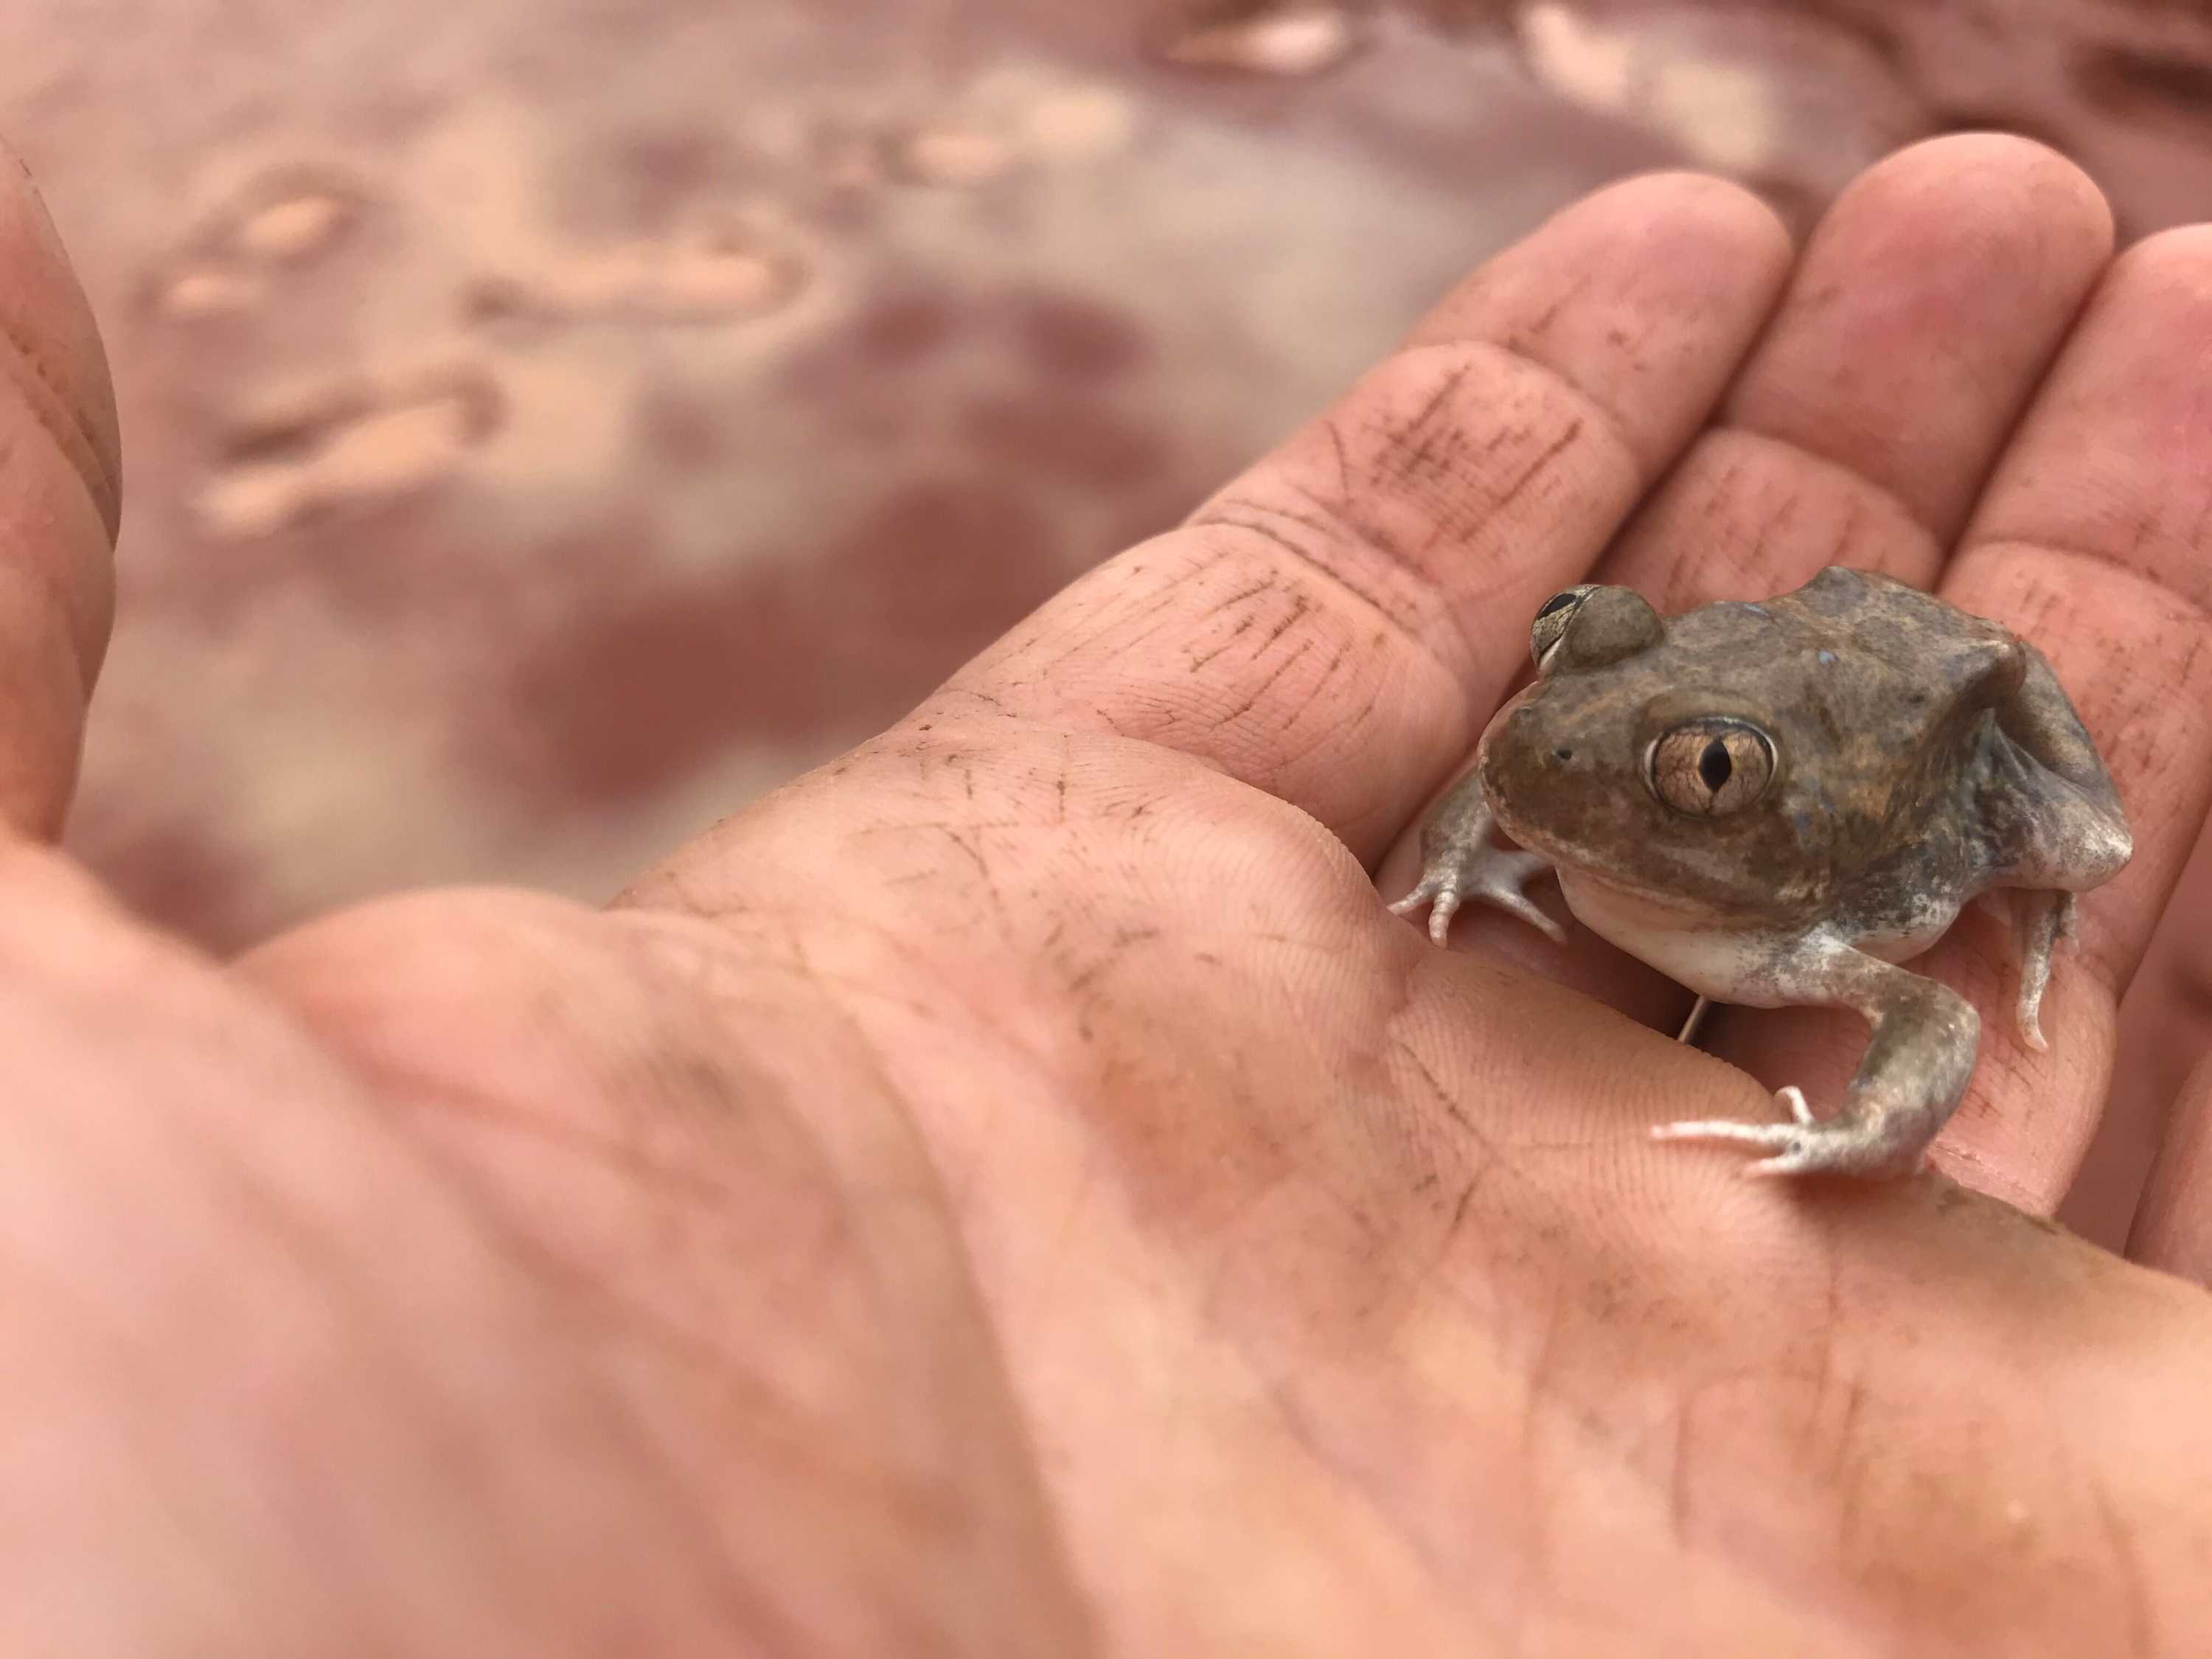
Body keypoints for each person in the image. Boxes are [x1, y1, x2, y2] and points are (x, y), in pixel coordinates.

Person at [3, 128, 2208, 1655]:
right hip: (1756, 700)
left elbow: (1915, 1021)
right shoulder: (1560, 761)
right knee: (1598, 733)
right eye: (1560, 663)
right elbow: (1543, 753)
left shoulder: (1825, 912)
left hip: (1906, 718)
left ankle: (1958, 848)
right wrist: (1482, 835)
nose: (1525, 755)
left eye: (1687, 775)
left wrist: (1860, 1123)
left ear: (1746, 805)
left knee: (2075, 848)